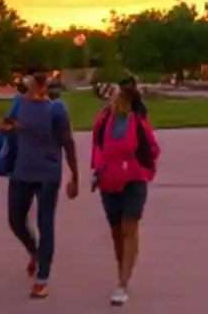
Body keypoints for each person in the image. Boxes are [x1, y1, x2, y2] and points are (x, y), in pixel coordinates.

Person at [1, 67, 80, 299]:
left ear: (44, 85)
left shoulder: (56, 110)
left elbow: (68, 143)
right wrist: (8, 128)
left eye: (37, 81)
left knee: (46, 223)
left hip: (48, 173)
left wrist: (75, 175)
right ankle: (34, 252)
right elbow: (7, 127)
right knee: (15, 219)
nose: (31, 85)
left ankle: (42, 277)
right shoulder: (19, 105)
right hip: (21, 170)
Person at [91, 78, 161, 306]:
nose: (114, 100)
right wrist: (98, 171)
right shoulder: (104, 120)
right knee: (116, 232)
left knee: (129, 227)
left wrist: (143, 169)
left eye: (118, 96)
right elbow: (97, 147)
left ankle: (123, 283)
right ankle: (122, 269)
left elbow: (152, 148)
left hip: (133, 180)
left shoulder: (138, 122)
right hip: (109, 181)